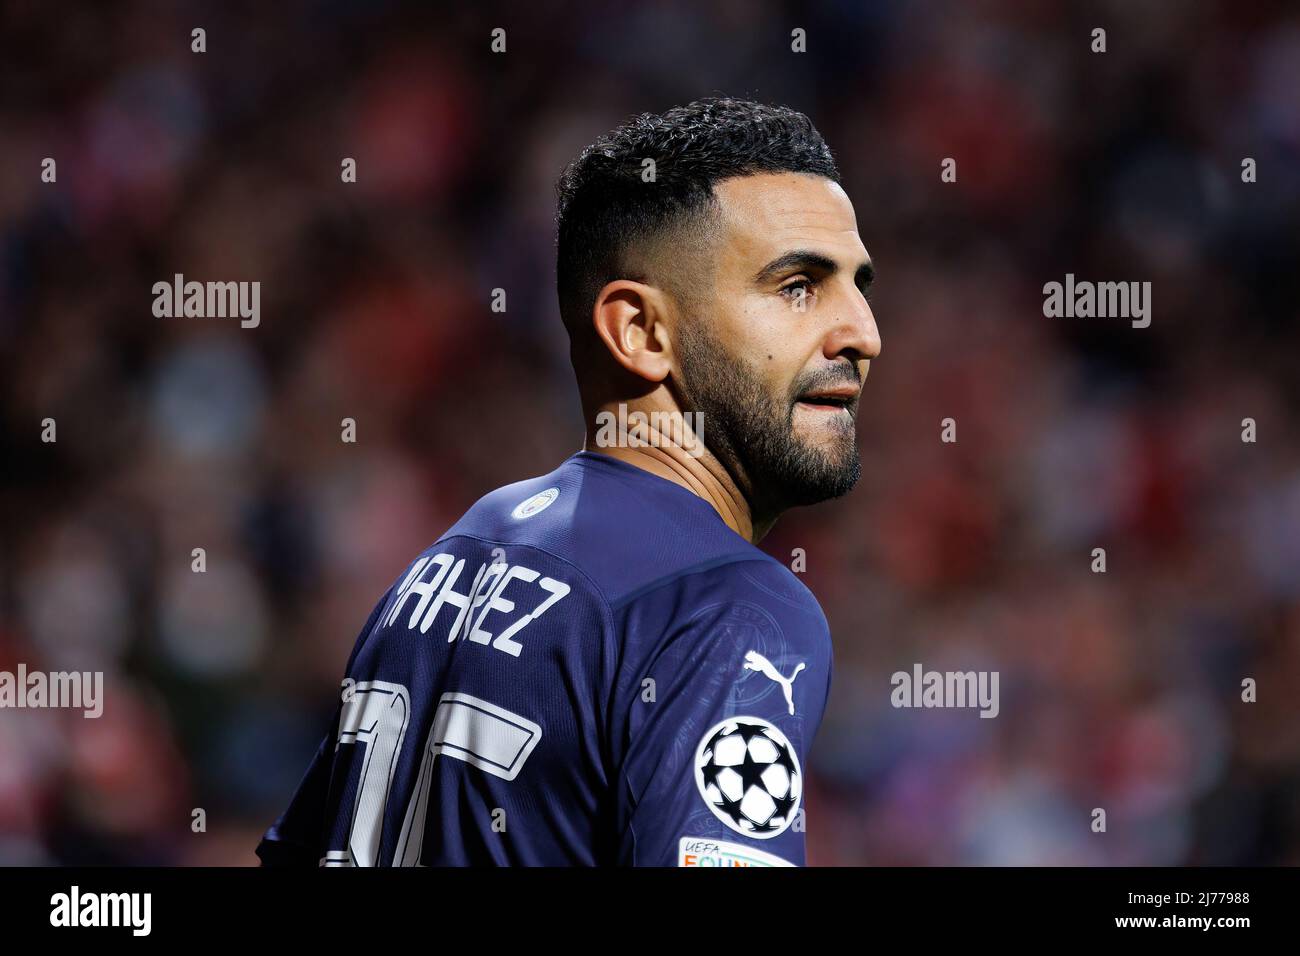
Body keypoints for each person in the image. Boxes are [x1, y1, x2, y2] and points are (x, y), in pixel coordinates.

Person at [257, 96, 880, 866]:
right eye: (798, 286)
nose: (863, 334)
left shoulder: (456, 553)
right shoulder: (728, 608)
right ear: (641, 332)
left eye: (860, 284)